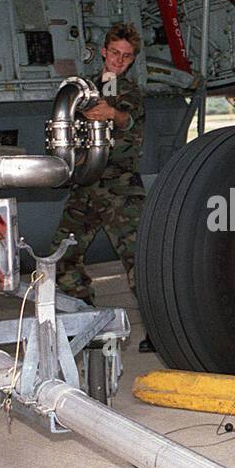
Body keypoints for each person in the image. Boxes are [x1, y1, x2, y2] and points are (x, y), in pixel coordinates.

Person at [50, 23, 155, 351]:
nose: (119, 60)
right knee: (62, 256)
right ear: (103, 52)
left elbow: (125, 117)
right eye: (115, 53)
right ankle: (84, 321)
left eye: (127, 56)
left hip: (120, 191)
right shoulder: (87, 88)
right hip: (85, 186)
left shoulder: (128, 92)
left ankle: (162, 330)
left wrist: (111, 114)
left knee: (139, 262)